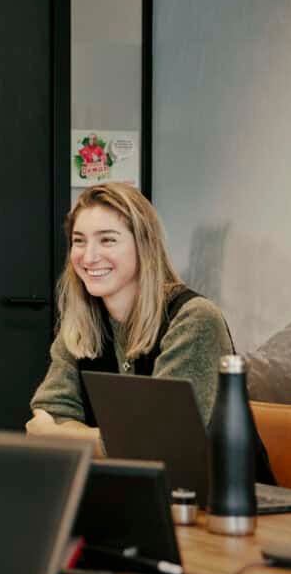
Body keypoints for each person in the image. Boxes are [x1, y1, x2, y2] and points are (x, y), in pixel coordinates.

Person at [27, 182, 235, 452]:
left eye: (107, 240)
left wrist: (59, 436)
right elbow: (50, 414)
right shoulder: (81, 324)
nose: (88, 257)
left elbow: (161, 443)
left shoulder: (194, 319)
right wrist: (108, 440)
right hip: (118, 478)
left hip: (213, 480)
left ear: (143, 245)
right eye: (79, 241)